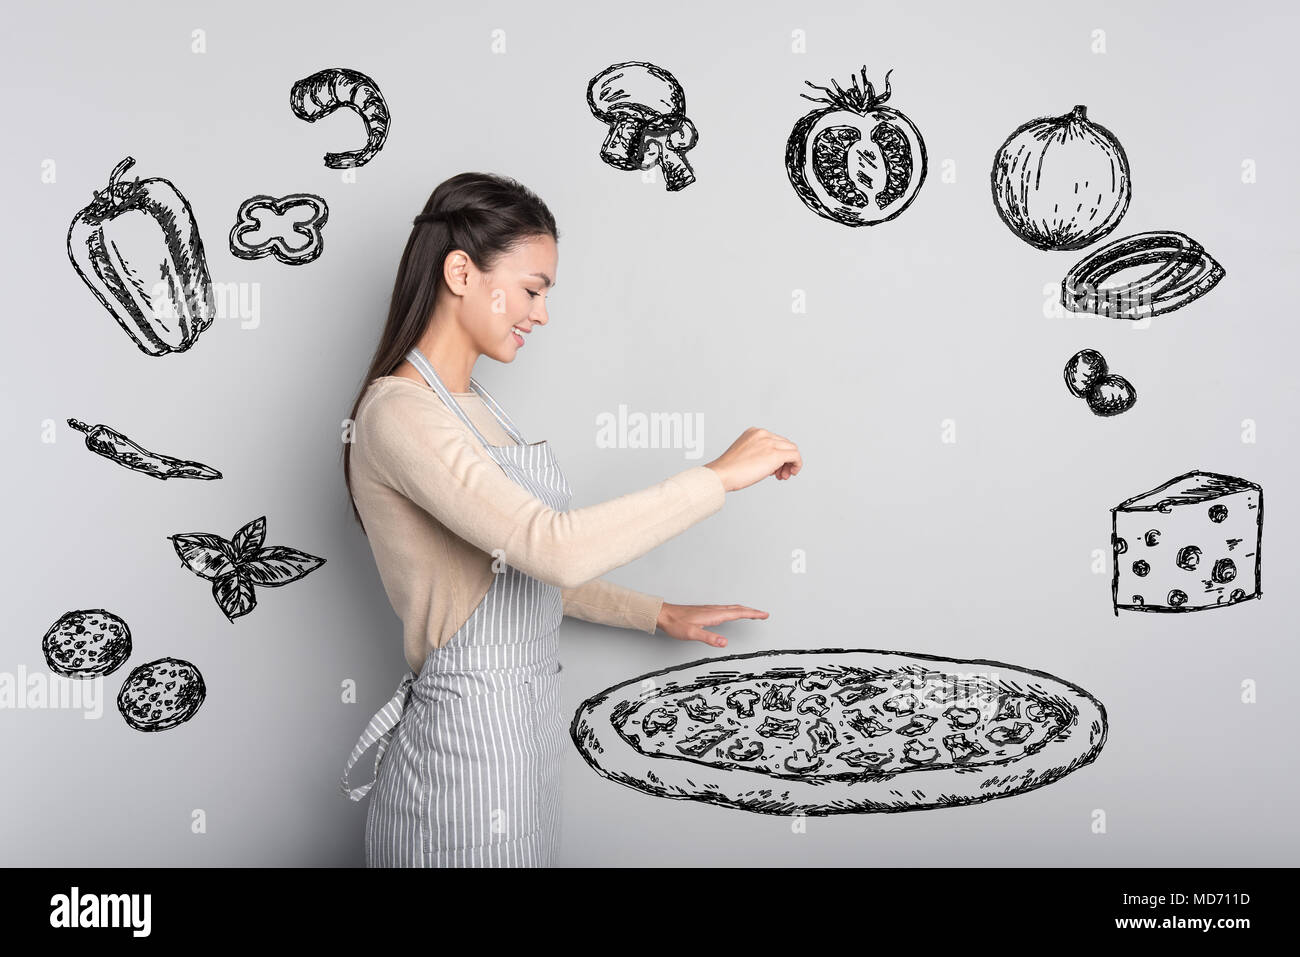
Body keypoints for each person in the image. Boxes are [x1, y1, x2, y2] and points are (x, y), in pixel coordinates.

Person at [338, 171, 802, 867]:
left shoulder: (480, 409)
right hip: (463, 752)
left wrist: (655, 612)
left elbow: (510, 568)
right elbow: (548, 546)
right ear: (461, 272)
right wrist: (717, 477)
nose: (542, 314)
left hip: (521, 738)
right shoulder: (400, 413)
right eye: (533, 288)